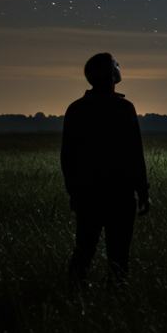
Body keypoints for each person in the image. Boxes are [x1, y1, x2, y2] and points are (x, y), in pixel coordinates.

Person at [61, 52, 151, 284]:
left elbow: (67, 157)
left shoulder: (76, 109)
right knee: (119, 256)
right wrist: (143, 191)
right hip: (120, 194)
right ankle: (116, 295)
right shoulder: (124, 108)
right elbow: (135, 153)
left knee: (83, 250)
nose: (119, 67)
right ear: (112, 75)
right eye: (116, 64)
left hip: (87, 194)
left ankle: (73, 293)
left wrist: (74, 192)